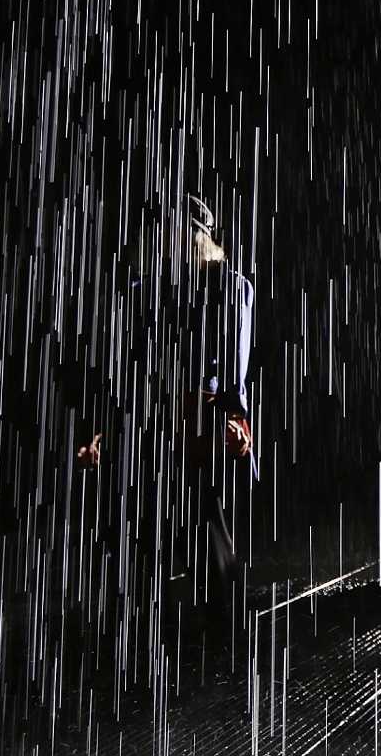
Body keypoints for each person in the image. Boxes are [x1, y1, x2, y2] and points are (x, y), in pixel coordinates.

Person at [74, 193, 256, 622]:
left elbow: (236, 369)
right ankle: (133, 625)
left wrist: (236, 421)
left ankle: (225, 626)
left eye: (181, 237)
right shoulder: (144, 288)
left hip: (201, 420)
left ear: (201, 240)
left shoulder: (230, 287)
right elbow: (123, 365)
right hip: (150, 419)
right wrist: (104, 428)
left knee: (209, 523)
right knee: (137, 529)